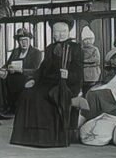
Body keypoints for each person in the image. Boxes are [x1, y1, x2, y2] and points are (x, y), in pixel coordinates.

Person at [10, 16, 83, 148]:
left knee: (43, 97)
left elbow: (79, 72)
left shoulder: (75, 48)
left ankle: (48, 138)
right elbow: (42, 68)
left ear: (68, 32)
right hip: (46, 82)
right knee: (27, 94)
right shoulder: (49, 48)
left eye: (63, 31)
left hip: (65, 84)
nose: (59, 35)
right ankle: (28, 137)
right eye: (56, 31)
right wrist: (33, 79)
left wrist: (68, 75)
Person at [3, 28, 42, 115]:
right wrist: (5, 69)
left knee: (20, 80)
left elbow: (35, 70)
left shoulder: (36, 52)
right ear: (18, 42)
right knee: (3, 79)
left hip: (28, 77)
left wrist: (21, 70)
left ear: (30, 41)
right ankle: (8, 106)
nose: (24, 43)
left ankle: (21, 107)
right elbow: (7, 64)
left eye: (26, 40)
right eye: (21, 40)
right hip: (13, 76)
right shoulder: (15, 51)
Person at [80, 26, 101, 94]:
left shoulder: (95, 49)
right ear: (83, 41)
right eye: (85, 39)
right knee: (85, 90)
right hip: (84, 75)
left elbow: (96, 60)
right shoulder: (81, 50)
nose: (88, 41)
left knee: (92, 89)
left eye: (89, 39)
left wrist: (85, 62)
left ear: (92, 40)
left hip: (93, 74)